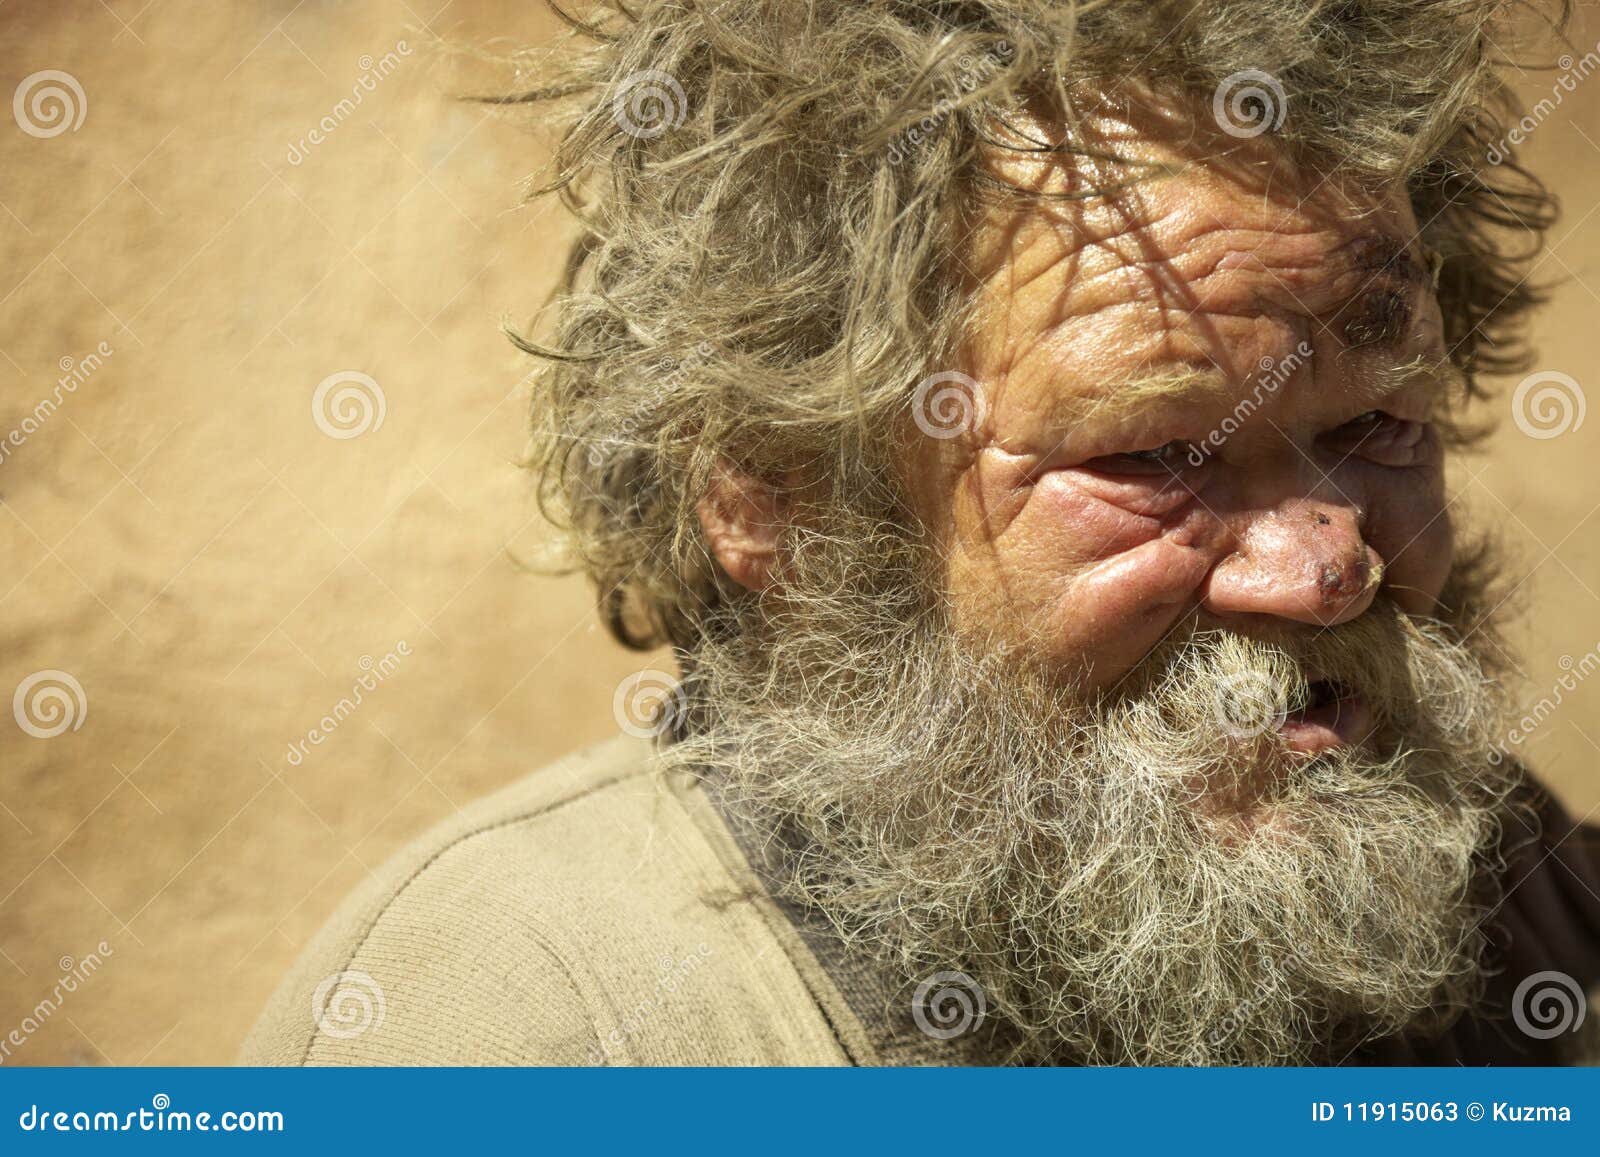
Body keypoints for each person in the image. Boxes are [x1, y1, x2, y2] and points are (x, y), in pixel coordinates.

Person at [241, 0, 1600, 1067]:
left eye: (1379, 425)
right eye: (1152, 456)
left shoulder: (1514, 914)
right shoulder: (518, 1025)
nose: (1326, 568)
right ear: (777, 497)